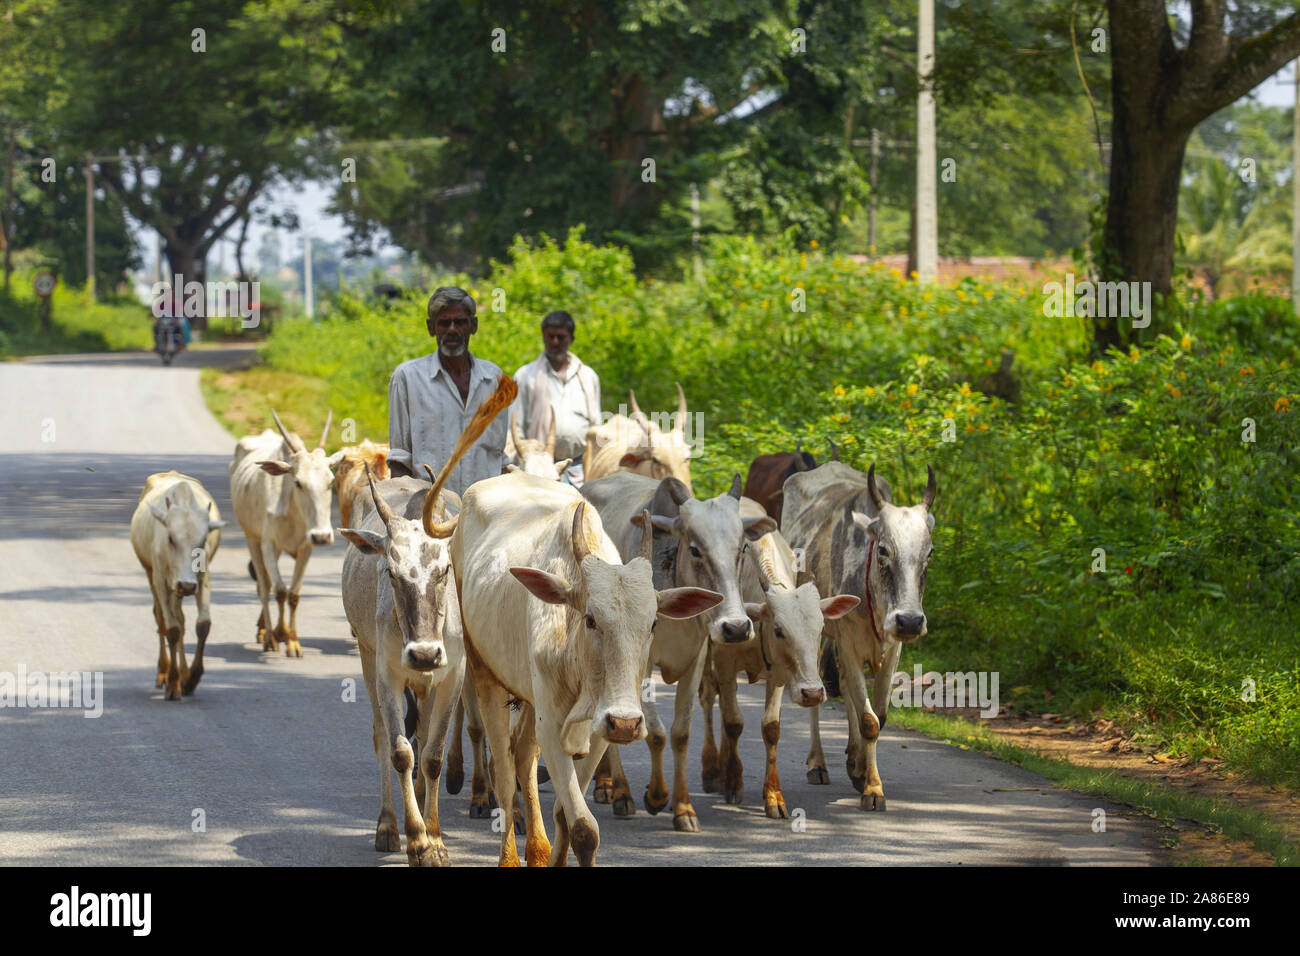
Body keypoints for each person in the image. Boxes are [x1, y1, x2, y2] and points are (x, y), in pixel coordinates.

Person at [387, 287, 508, 496]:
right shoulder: (407, 378)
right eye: (444, 323)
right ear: (431, 328)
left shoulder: (494, 379)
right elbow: (399, 461)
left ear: (473, 326)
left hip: (484, 511)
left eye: (460, 322)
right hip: (430, 510)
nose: (452, 330)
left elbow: (498, 454)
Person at [511, 310, 601, 486]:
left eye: (561, 337)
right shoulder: (525, 376)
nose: (555, 342)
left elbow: (595, 427)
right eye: (550, 336)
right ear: (543, 337)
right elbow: (515, 428)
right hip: (539, 470)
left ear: (571, 339)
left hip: (581, 469)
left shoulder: (588, 377)